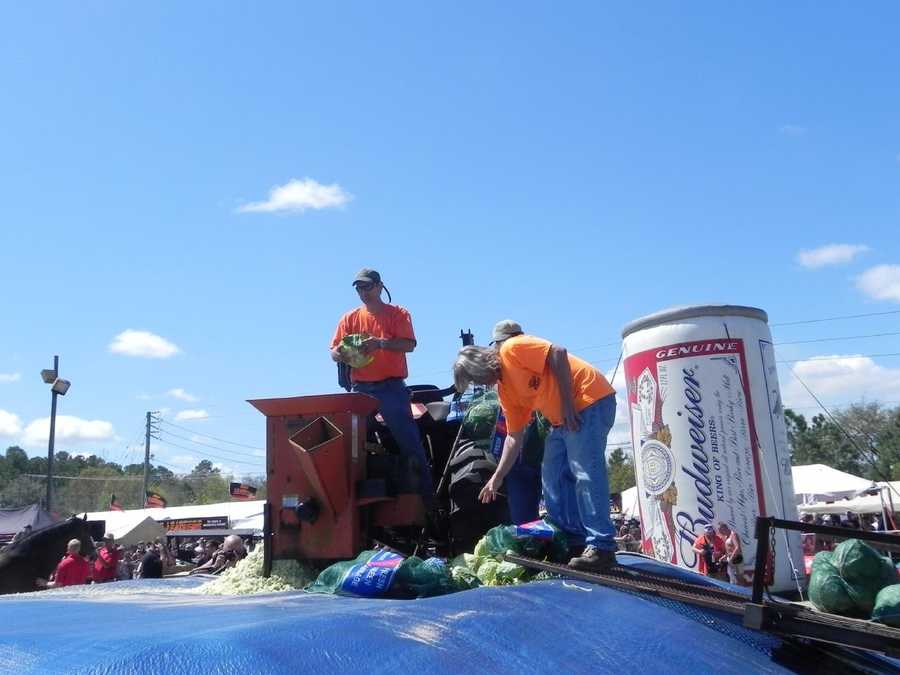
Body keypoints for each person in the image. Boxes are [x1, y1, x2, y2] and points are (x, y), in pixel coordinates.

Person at [453, 332, 618, 572]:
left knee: (585, 473)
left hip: (588, 400)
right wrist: (497, 477)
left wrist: (567, 405)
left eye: (476, 377)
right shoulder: (505, 391)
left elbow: (558, 353)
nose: (480, 383)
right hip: (560, 420)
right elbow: (513, 437)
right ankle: (572, 541)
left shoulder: (512, 349)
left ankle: (602, 546)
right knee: (552, 476)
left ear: (481, 365)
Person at [330, 268, 433, 498]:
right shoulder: (349, 318)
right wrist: (340, 353)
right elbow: (333, 352)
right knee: (353, 447)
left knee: (410, 445)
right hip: (360, 390)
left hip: (391, 388)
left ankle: (427, 501)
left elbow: (409, 345)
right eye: (359, 288)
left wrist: (380, 343)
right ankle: (354, 500)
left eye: (367, 286)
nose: (363, 292)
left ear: (379, 286)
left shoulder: (398, 314)